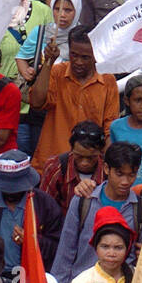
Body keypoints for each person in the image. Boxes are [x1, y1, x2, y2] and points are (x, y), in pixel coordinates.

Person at [51, 142, 142, 283]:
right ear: (106, 169)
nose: (125, 181)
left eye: (131, 175)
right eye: (119, 174)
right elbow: (65, 254)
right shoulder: (83, 201)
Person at [27, 27, 119, 174]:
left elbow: (109, 129)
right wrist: (48, 63)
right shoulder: (57, 72)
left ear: (96, 55)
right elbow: (36, 102)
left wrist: (106, 169)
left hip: (88, 168)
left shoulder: (108, 81)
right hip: (51, 167)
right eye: (74, 55)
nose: (78, 62)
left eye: (85, 57)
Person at [0, 150, 62, 274]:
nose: (10, 192)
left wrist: (31, 241)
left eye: (15, 188)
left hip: (32, 276)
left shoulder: (45, 205)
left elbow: (58, 248)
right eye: (6, 188)